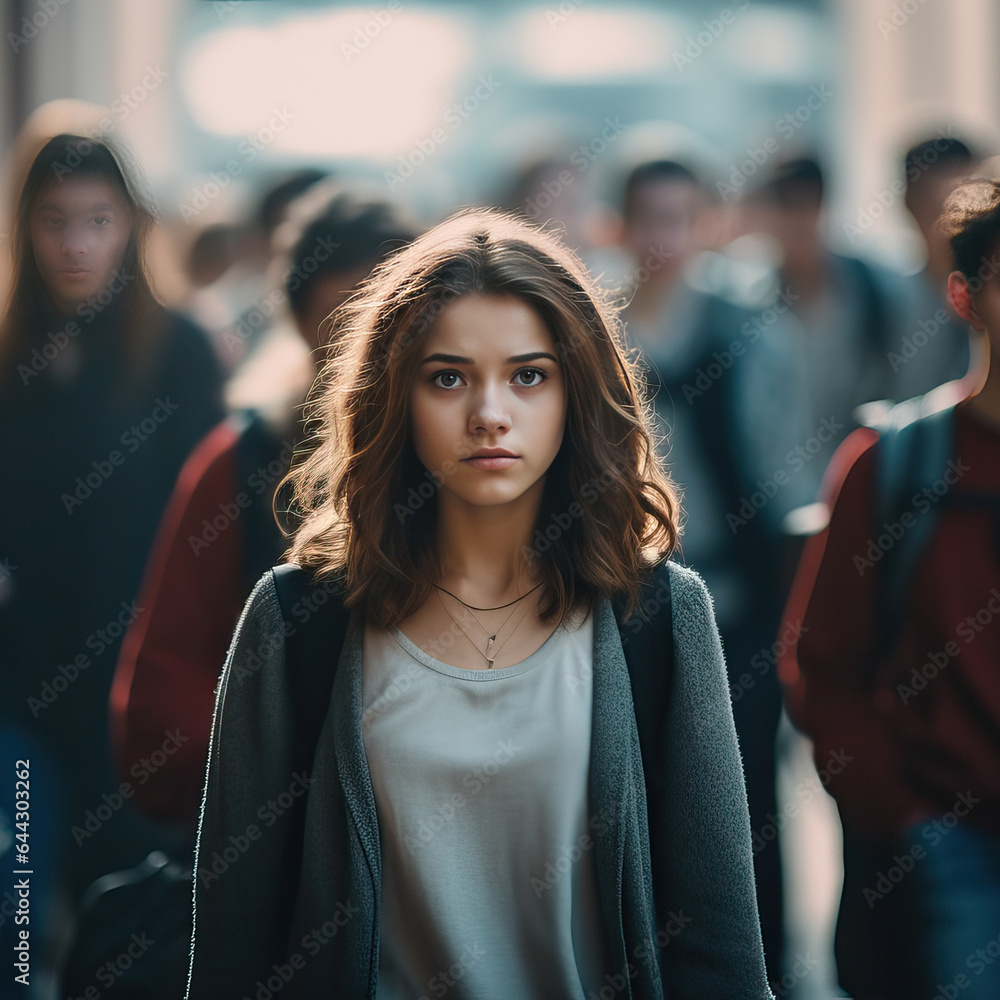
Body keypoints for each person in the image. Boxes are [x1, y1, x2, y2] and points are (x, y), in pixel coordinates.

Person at [185, 208, 773, 999]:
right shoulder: (298, 622)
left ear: (577, 394)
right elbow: (232, 956)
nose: (489, 413)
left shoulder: (659, 617)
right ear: (397, 395)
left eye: (529, 374)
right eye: (449, 376)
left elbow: (719, 953)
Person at [110, 190, 420, 827]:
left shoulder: (469, 460)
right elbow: (163, 689)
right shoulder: (242, 464)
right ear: (300, 323)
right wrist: (280, 764)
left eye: (389, 320)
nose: (367, 349)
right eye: (343, 320)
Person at [778, 176, 1000, 999]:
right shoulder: (894, 462)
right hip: (949, 841)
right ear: (964, 295)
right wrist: (898, 814)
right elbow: (818, 664)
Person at [0, 132, 224, 925]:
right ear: (24, 226)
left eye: (99, 219)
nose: (76, 244)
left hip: (140, 691)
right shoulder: (9, 354)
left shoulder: (179, 352)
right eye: (55, 220)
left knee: (131, 922)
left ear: (132, 224)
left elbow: (210, 532)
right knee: (20, 918)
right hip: (20, 689)